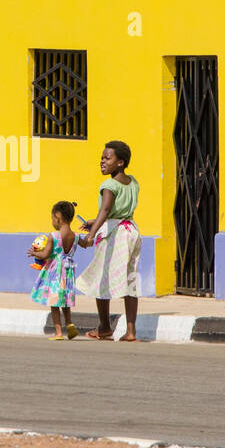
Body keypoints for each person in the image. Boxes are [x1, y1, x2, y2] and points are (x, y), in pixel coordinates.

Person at [76, 140, 141, 341]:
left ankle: (104, 326)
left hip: (113, 235)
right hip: (131, 231)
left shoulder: (109, 185)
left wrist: (90, 235)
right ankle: (131, 331)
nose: (102, 161)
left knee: (101, 277)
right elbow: (118, 212)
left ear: (120, 162)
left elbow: (105, 211)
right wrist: (95, 222)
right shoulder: (133, 182)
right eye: (102, 158)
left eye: (107, 158)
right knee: (130, 279)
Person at [28, 200, 81, 340]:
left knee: (54, 302)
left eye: (53, 218)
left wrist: (35, 254)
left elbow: (45, 254)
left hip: (55, 273)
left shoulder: (54, 236)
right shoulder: (75, 236)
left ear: (58, 217)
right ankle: (69, 324)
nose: (52, 221)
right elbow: (87, 243)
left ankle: (58, 332)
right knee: (65, 300)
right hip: (68, 272)